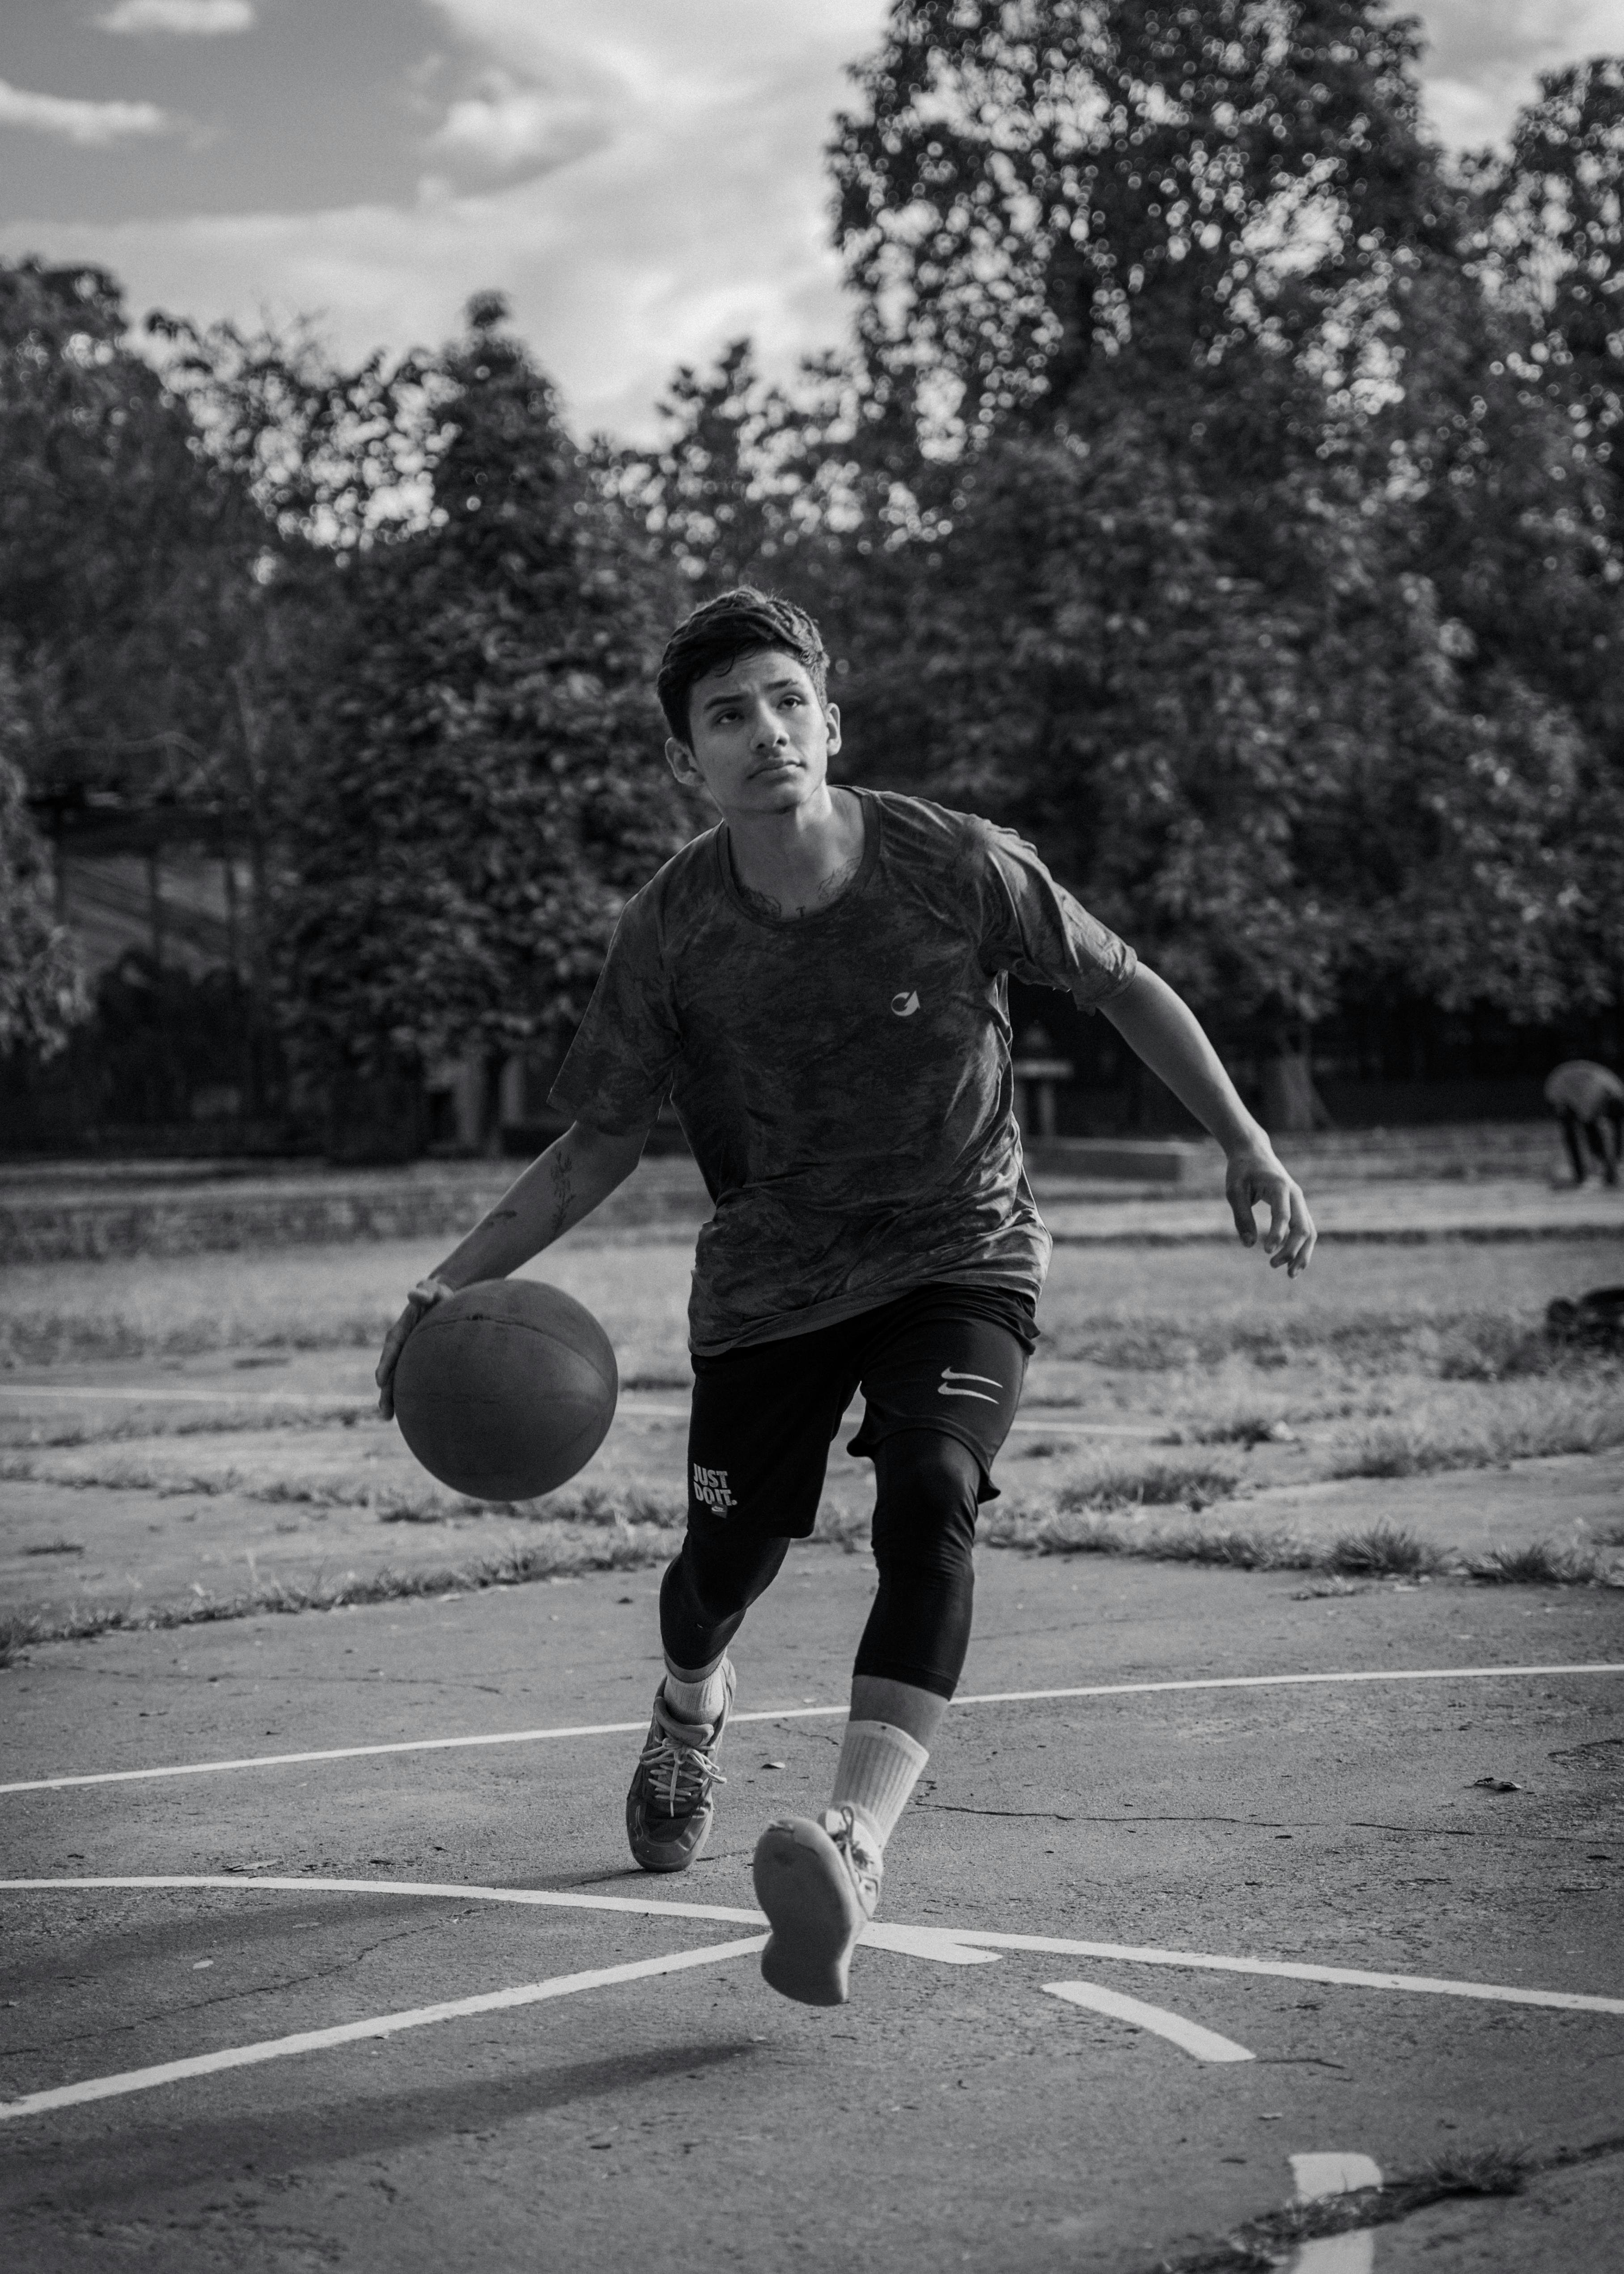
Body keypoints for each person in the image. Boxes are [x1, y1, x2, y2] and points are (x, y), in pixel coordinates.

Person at [375, 588, 1316, 2009]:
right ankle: (692, 1696)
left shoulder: (954, 861)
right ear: (689, 759)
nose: (764, 732)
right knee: (725, 1565)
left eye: (783, 701)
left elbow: (1120, 982)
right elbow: (603, 1137)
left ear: (830, 717)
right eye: (726, 715)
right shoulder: (672, 927)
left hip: (962, 1242)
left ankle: (850, 1844)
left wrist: (1243, 1140)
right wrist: (452, 1278)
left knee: (932, 1487)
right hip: (771, 1285)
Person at [1544, 1059, 1624, 1188]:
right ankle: (1582, 1174)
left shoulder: (1613, 1089)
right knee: (1574, 1134)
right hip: (1561, 1090)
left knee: (1598, 1129)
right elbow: (1587, 1120)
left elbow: (1614, 1127)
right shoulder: (1595, 1093)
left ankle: (1606, 1169)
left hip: (1576, 1086)